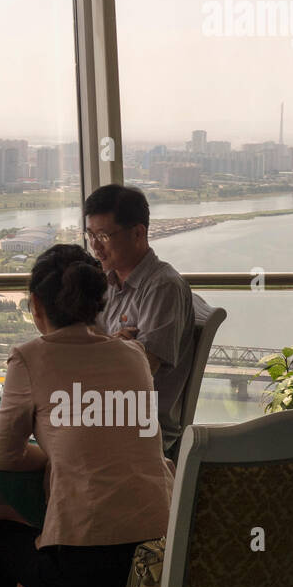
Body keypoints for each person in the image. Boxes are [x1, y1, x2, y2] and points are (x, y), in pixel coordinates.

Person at [0, 244, 174, 587]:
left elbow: (5, 456)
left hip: (88, 579)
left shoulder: (29, 358)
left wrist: (50, 457)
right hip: (159, 567)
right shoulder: (134, 356)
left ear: (35, 304)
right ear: (98, 303)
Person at [83, 184, 195, 458]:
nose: (95, 247)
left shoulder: (163, 287)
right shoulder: (107, 281)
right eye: (90, 235)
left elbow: (140, 372)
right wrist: (117, 346)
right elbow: (83, 343)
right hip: (105, 409)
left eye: (104, 236)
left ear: (138, 233)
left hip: (141, 426)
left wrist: (103, 348)